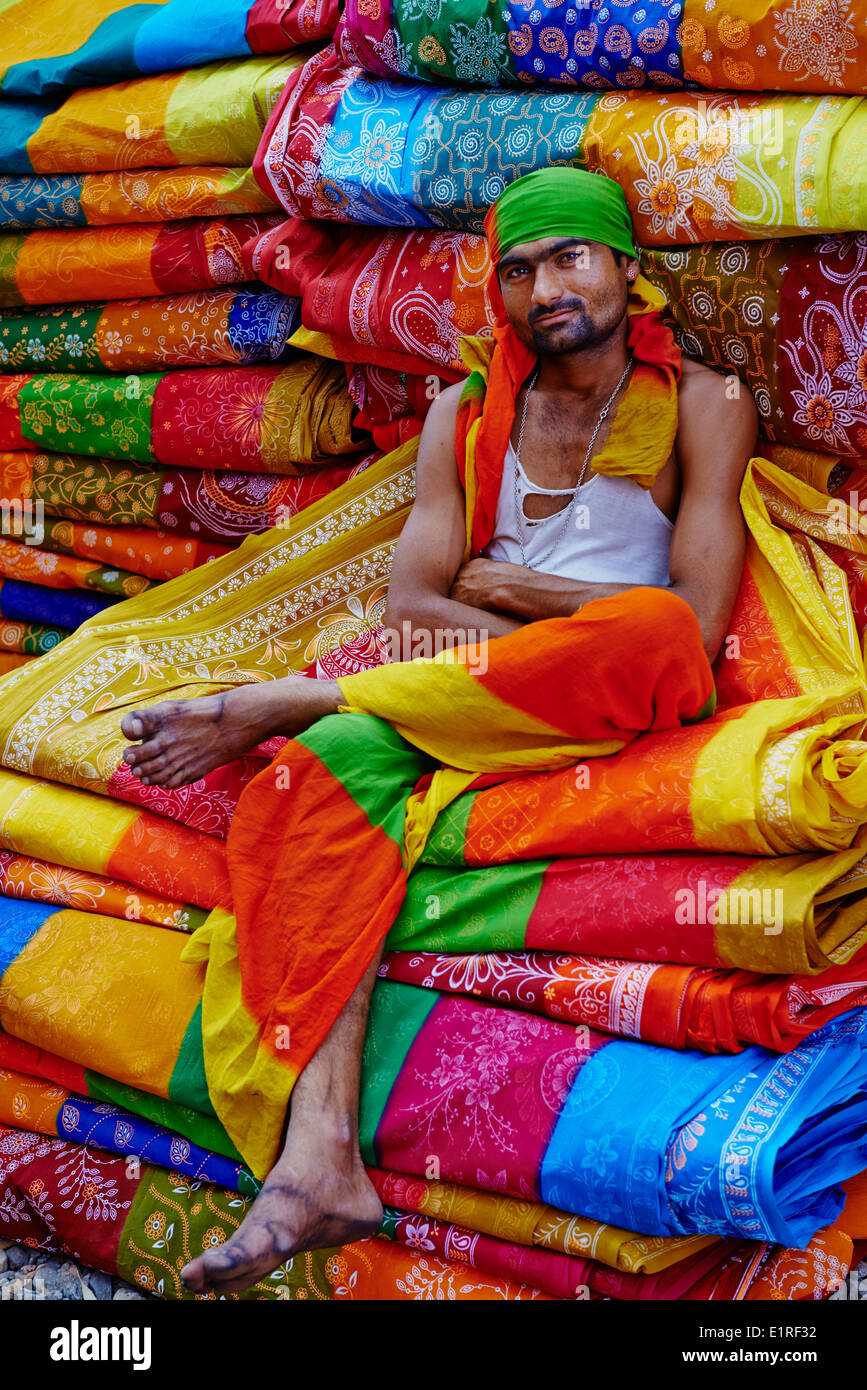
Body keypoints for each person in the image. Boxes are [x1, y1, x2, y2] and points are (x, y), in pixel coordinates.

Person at [120, 167, 757, 1294]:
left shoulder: (708, 403)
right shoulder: (463, 413)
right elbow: (412, 608)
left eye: (570, 257)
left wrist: (523, 592)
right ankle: (317, 1160)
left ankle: (306, 695)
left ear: (625, 269)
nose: (545, 286)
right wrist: (497, 627)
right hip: (449, 690)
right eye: (518, 269)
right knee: (310, 777)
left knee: (649, 626)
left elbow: (695, 637)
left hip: (607, 692)